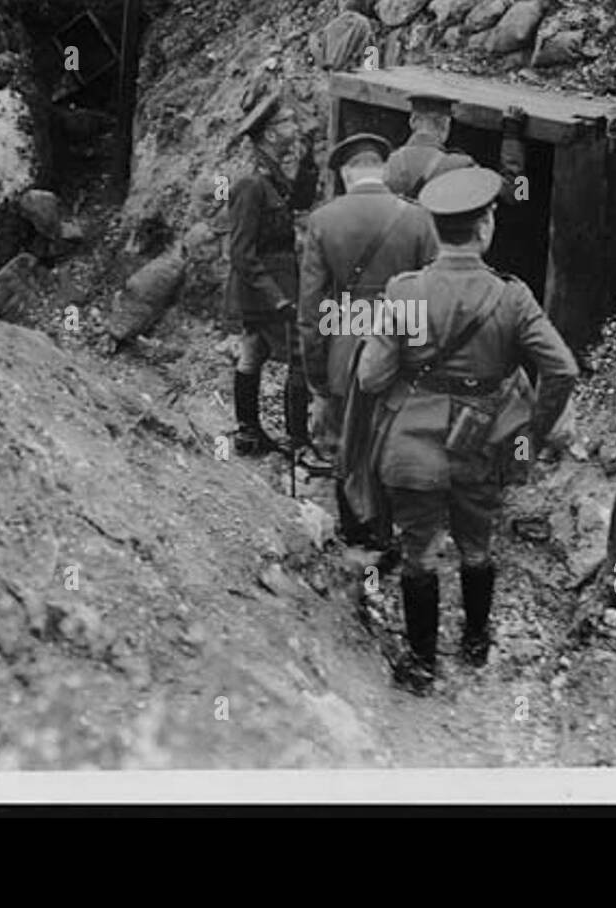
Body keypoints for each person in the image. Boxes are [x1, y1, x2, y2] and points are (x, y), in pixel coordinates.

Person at [357, 166, 578, 695]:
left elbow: (370, 377)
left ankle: (422, 663)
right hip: (483, 443)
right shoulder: (512, 297)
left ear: (437, 230)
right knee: (477, 548)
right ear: (484, 227)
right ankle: (476, 644)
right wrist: (532, 432)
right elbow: (563, 369)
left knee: (419, 554)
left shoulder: (405, 291)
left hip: (411, 445)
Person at [299, 133, 439, 548]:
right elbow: (435, 294)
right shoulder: (418, 218)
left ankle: (357, 533)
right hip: (404, 339)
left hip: (346, 338)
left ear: (345, 174)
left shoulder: (323, 221)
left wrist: (316, 371)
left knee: (348, 438)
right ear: (382, 171)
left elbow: (311, 310)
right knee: (394, 435)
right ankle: (394, 532)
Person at [224, 93, 318, 457]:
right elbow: (240, 253)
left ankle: (248, 432)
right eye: (288, 123)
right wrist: (276, 297)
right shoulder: (250, 186)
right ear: (270, 134)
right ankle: (298, 442)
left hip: (268, 288)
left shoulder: (271, 177)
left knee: (253, 353)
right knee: (301, 357)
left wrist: (308, 158)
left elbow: (300, 202)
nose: (294, 128)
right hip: (266, 291)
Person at [383, 94, 529, 205]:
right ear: (446, 124)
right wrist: (512, 134)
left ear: (412, 120)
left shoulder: (385, 164)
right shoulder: (460, 166)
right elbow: (516, 193)